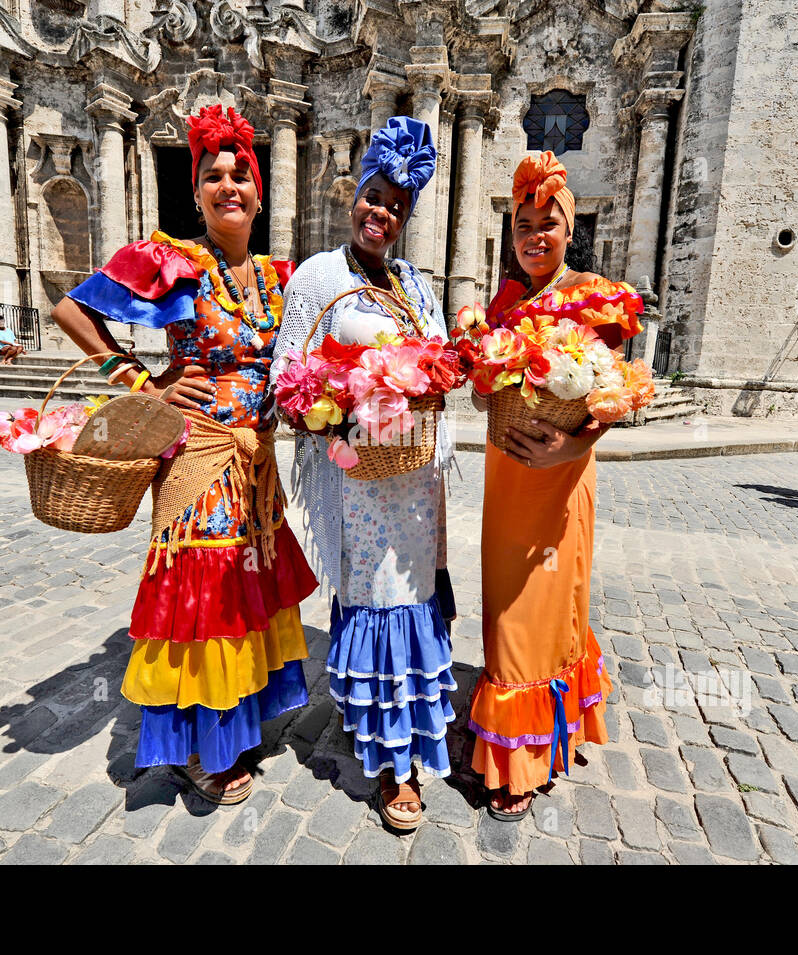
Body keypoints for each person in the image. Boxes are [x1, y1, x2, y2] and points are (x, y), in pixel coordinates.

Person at [52, 104, 317, 805]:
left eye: (240, 175)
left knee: (246, 596)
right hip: (198, 461)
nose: (228, 186)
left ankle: (237, 726)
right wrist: (143, 380)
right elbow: (72, 310)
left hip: (256, 463)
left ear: (260, 192)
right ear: (196, 192)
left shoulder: (279, 275)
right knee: (203, 604)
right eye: (213, 176)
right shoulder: (171, 260)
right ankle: (199, 747)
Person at [274, 117, 455, 832]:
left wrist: (429, 380)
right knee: (378, 601)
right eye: (374, 197)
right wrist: (336, 420)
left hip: (414, 473)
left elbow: (440, 362)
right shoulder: (319, 276)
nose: (381, 212)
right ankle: (395, 764)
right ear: (356, 194)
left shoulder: (415, 282)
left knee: (415, 599)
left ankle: (404, 730)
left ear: (407, 217)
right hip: (357, 475)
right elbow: (287, 383)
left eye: (397, 205)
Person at [467, 152, 642, 820]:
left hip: (561, 478)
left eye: (548, 223)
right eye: (524, 224)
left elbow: (620, 392)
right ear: (511, 235)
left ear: (570, 229)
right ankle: (530, 731)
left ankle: (520, 759)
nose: (535, 235)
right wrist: (487, 376)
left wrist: (576, 443)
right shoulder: (505, 305)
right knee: (504, 605)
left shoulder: (595, 297)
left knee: (540, 610)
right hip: (505, 476)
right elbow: (486, 402)